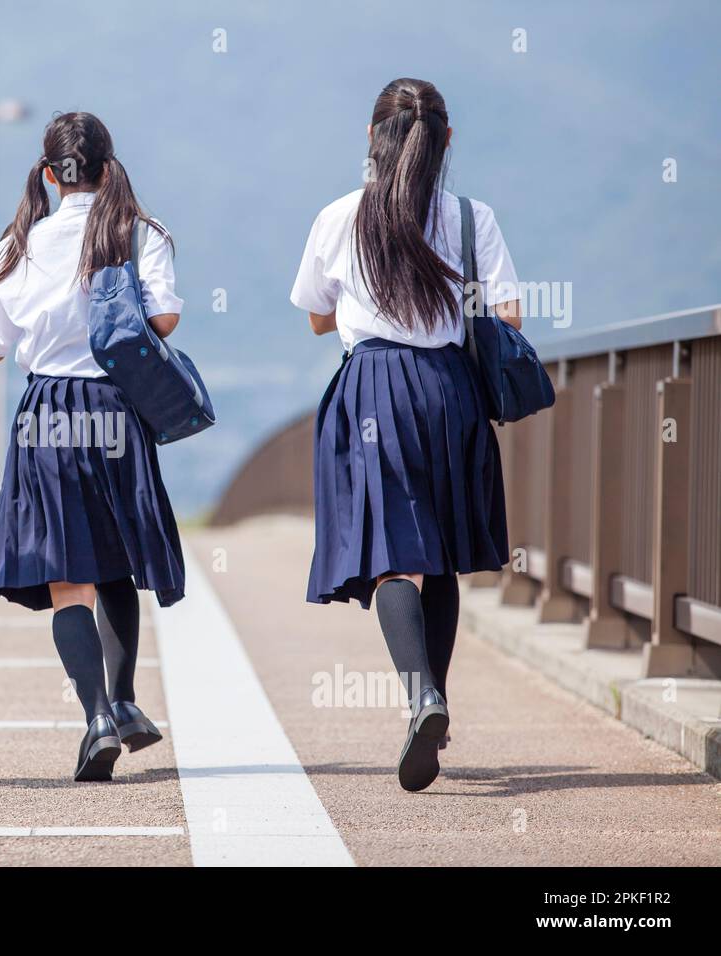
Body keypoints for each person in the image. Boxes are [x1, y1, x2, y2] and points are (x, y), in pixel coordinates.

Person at [291, 78, 521, 792]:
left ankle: (422, 697)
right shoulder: (470, 218)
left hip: (374, 393)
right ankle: (435, 702)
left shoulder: (340, 215)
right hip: (449, 392)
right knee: (441, 556)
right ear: (446, 141)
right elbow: (508, 315)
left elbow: (317, 316)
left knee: (397, 555)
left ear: (371, 137)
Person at [0, 112, 185, 782]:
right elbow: (165, 317)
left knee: (70, 577)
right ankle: (123, 700)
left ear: (48, 174)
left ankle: (97, 717)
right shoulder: (142, 231)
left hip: (48, 413)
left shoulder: (20, 243)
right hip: (116, 406)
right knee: (116, 561)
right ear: (107, 167)